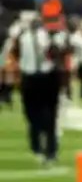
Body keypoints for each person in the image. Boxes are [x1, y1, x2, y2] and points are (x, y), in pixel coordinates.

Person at [3, 11, 65, 167]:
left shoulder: (50, 35)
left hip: (48, 76)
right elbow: (11, 55)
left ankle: (51, 150)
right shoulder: (19, 36)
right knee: (31, 114)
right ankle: (36, 143)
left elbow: (59, 53)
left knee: (50, 115)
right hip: (29, 77)